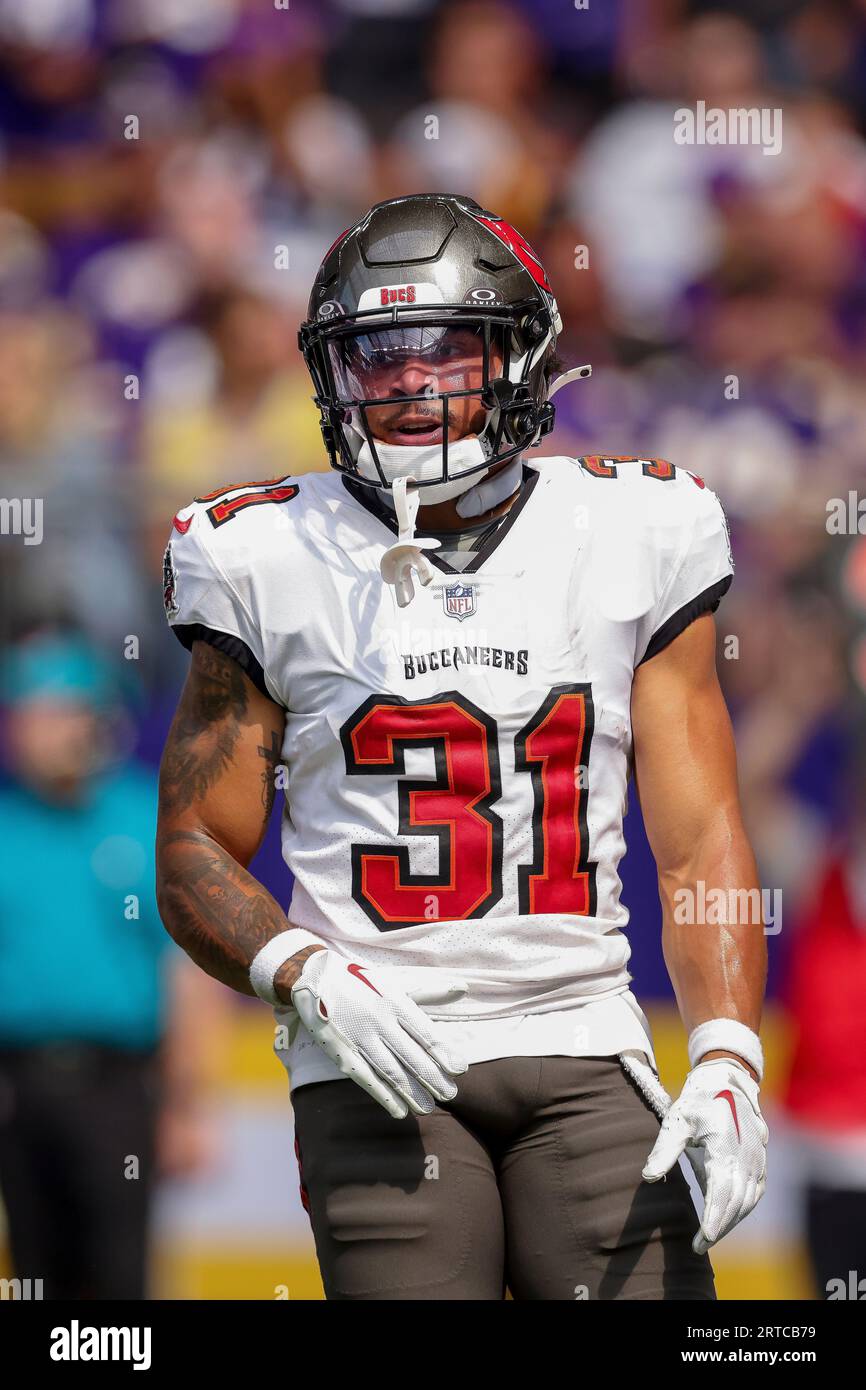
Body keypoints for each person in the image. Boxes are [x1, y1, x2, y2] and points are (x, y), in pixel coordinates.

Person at [156, 193, 768, 1301]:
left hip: (582, 1034)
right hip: (376, 1050)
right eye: (374, 357)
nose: (402, 384)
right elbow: (195, 844)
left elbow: (697, 837)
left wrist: (726, 1042)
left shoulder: (635, 529)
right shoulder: (258, 551)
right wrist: (299, 970)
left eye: (439, 349)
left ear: (519, 353)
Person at [0, 630, 221, 1299]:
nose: (45, 733)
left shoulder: (140, 822)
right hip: (17, 1088)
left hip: (119, 1089)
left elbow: (186, 975)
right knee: (35, 1270)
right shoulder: (7, 827)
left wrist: (185, 1106)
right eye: (31, 716)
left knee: (118, 1272)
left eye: (61, 714)